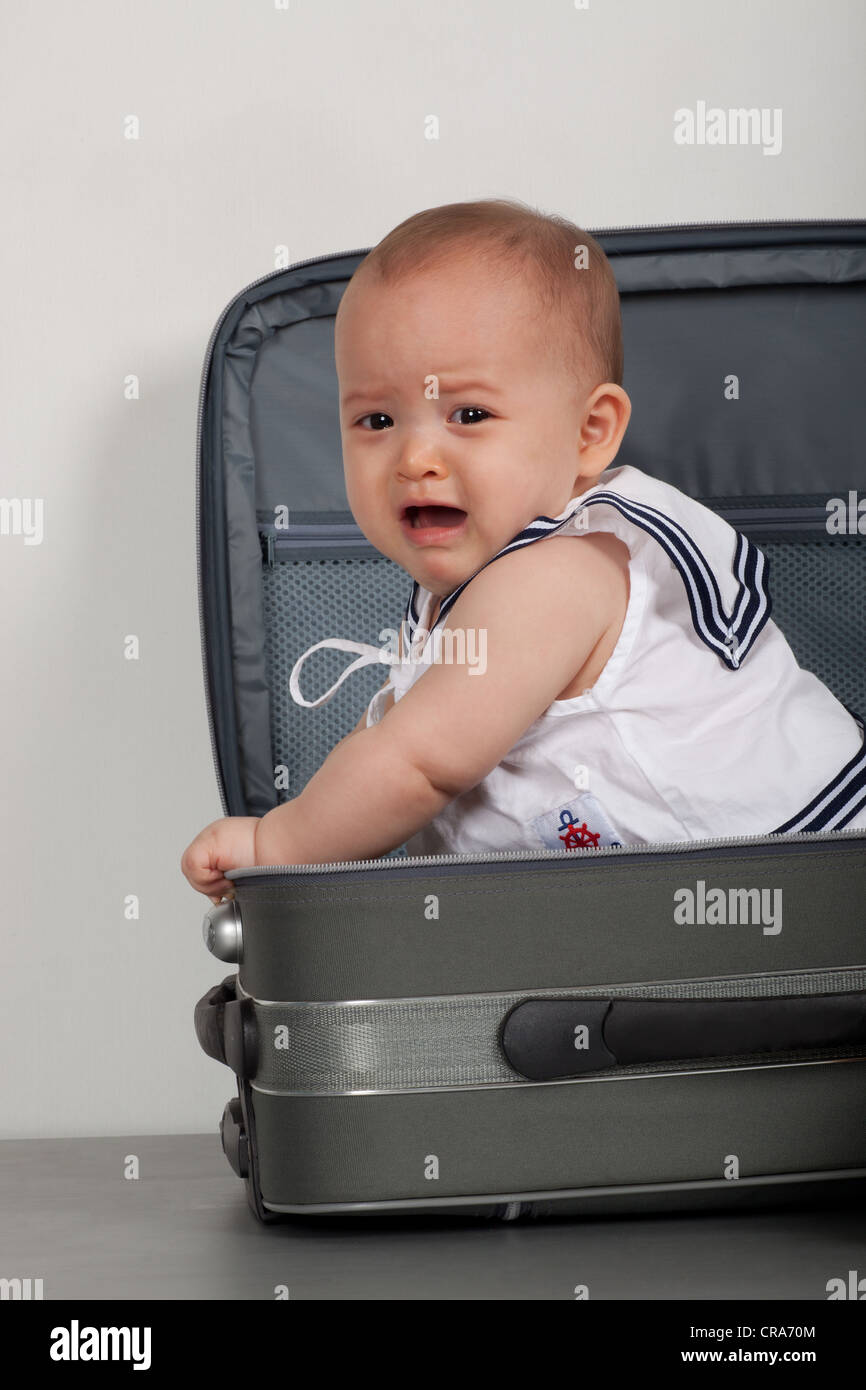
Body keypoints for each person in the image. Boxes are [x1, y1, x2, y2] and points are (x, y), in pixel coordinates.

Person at [181, 198, 866, 902]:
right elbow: (389, 735)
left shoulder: (559, 577)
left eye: (469, 415)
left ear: (589, 434)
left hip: (812, 903)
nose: (416, 456)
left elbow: (414, 763)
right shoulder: (465, 594)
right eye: (377, 419)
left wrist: (278, 844)